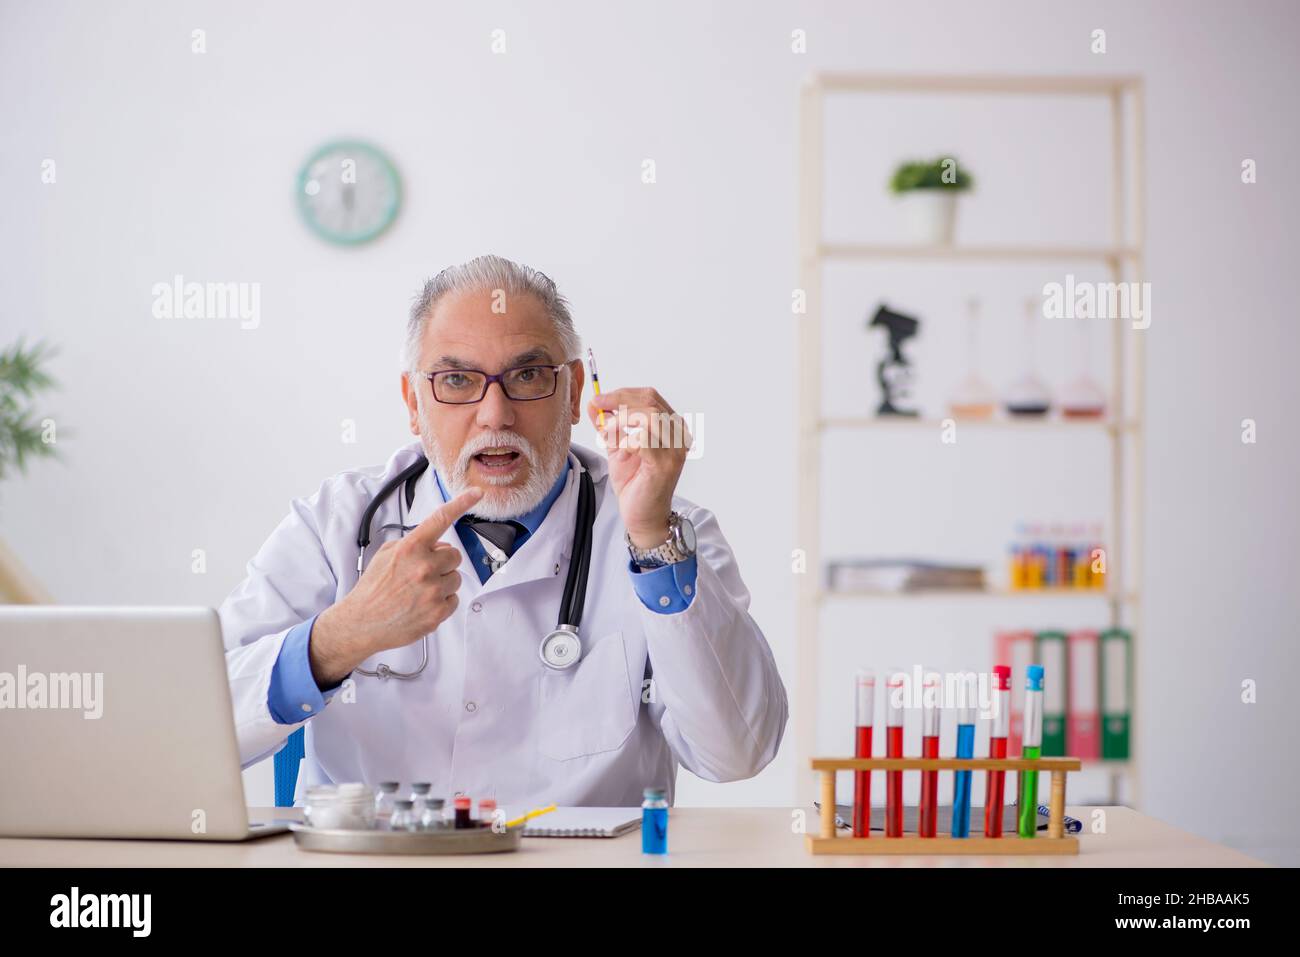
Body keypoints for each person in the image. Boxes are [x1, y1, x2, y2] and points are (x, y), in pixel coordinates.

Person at [219, 254, 787, 808]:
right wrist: (339, 637)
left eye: (528, 375)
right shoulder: (334, 526)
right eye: (458, 380)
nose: (495, 414)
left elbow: (737, 753)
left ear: (573, 393)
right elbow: (194, 723)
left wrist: (652, 542)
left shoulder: (664, 527)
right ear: (413, 403)